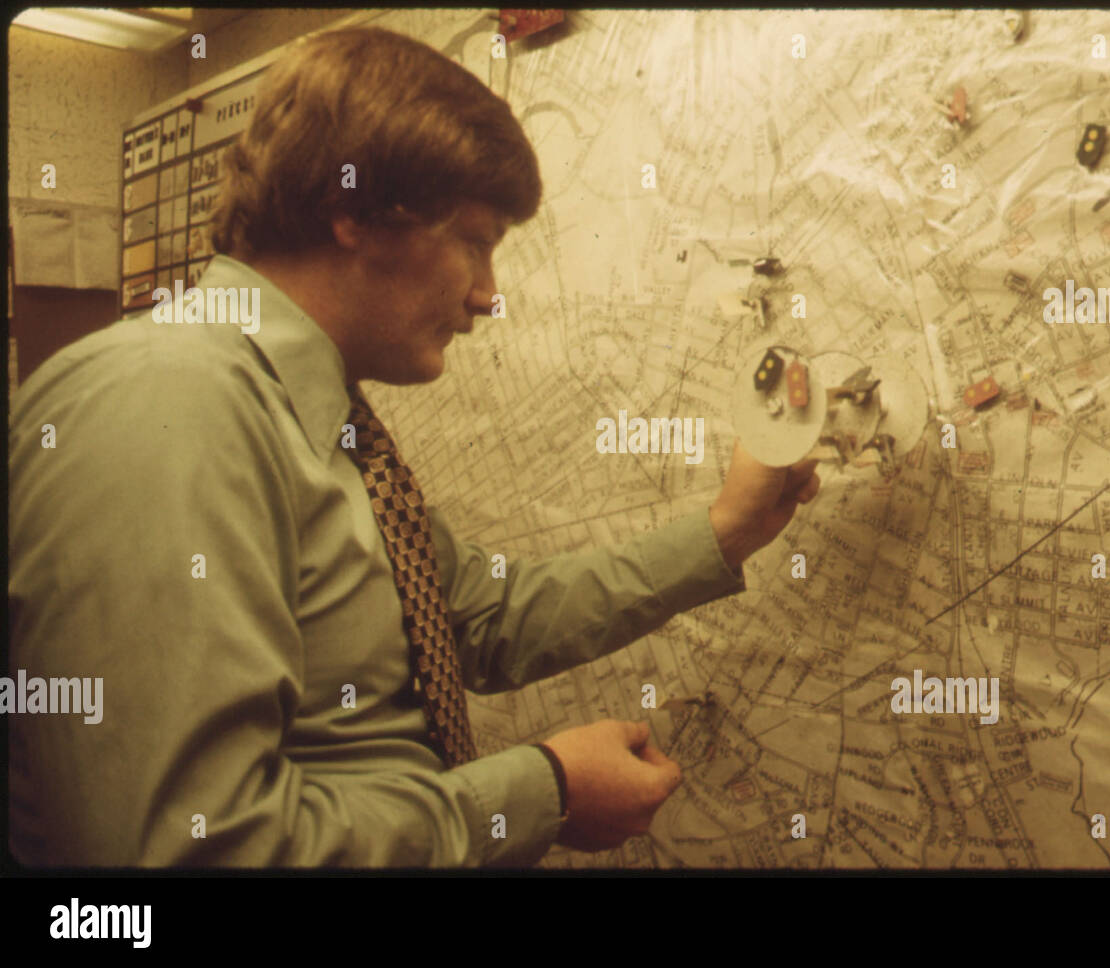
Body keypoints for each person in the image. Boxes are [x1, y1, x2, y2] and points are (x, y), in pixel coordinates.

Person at [6, 25, 819, 867]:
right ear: (354, 211)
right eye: (474, 242)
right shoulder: (164, 406)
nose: (486, 296)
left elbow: (481, 617)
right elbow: (185, 849)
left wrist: (727, 532)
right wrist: (545, 792)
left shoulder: (320, 423)